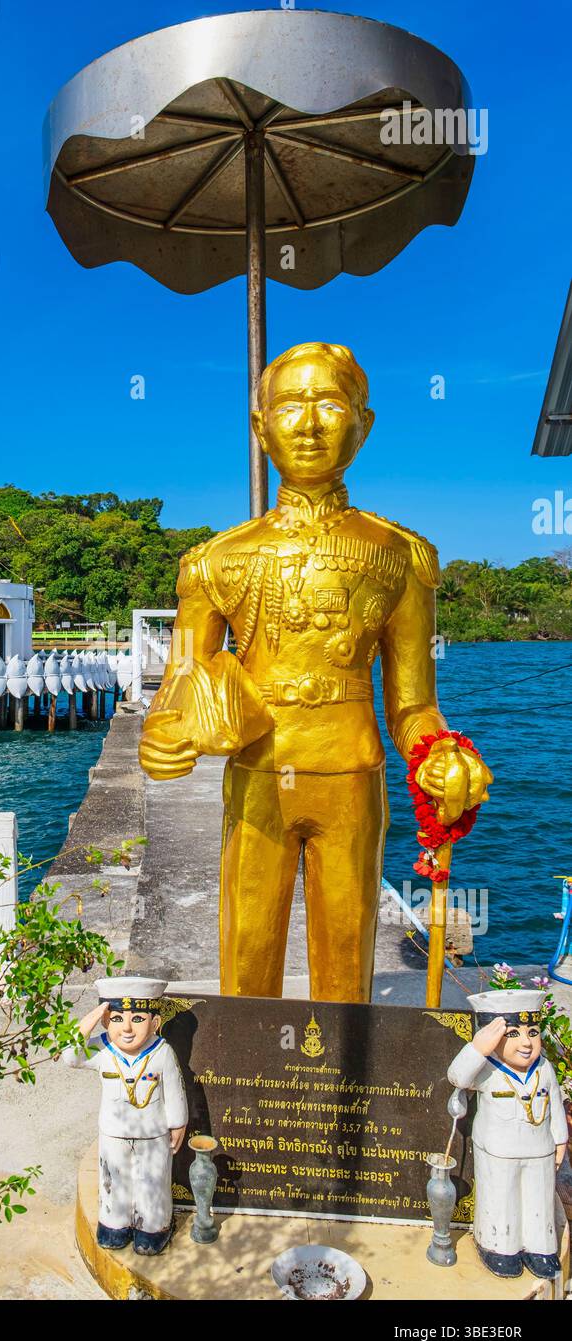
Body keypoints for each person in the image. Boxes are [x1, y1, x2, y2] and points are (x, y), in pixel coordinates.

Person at [139, 341, 492, 1002]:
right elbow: (180, 688)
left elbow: (412, 704)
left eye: (330, 404)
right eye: (290, 406)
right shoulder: (215, 562)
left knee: (347, 964)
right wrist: (164, 740)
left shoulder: (401, 557)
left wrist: (439, 753)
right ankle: (244, 1095)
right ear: (260, 425)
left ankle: (340, 1095)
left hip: (351, 779)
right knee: (246, 957)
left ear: (363, 423)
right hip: (256, 778)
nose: (308, 424)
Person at [448, 990, 568, 1278]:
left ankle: (540, 1249)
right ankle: (498, 1248)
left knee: (539, 1200)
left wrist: (560, 1140)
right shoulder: (488, 1069)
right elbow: (458, 1077)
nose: (526, 1042)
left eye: (533, 1032)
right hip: (498, 1150)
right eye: (513, 1033)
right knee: (501, 1200)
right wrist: (478, 1049)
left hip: (540, 1149)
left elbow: (554, 1104)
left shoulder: (544, 1069)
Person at [63, 977, 188, 1254]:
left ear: (155, 1022)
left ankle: (152, 1229)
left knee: (152, 1181)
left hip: (153, 1134)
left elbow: (175, 1089)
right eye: (117, 1018)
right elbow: (70, 1057)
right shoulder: (103, 1049)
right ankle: (113, 1226)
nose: (128, 1029)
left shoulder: (162, 1052)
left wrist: (177, 1122)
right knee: (113, 1181)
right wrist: (93, 1017)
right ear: (107, 1022)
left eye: (138, 1018)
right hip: (114, 1133)